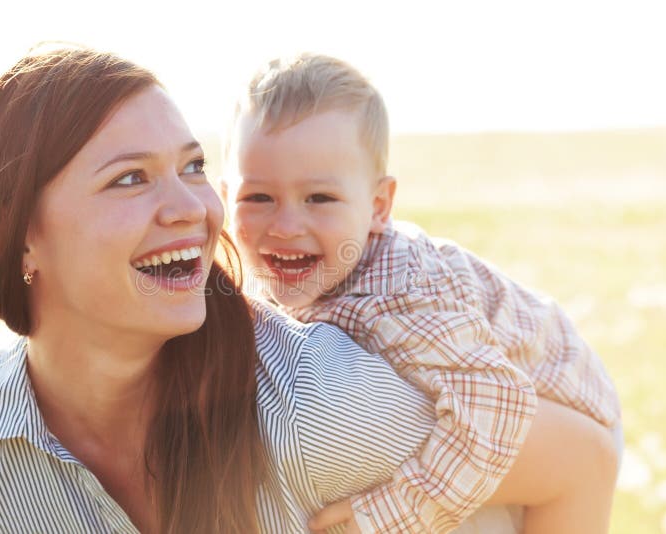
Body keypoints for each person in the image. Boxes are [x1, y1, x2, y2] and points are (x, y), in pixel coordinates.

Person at [0, 46, 446, 534]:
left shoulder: (315, 401)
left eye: (194, 167)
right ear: (20, 233)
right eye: (130, 178)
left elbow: (535, 472)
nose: (192, 210)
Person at [222, 53, 623, 533]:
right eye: (258, 198)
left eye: (320, 198)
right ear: (225, 198)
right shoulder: (305, 272)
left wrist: (394, 512)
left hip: (566, 407)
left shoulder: (400, 294)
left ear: (378, 206)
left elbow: (496, 404)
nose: (286, 225)